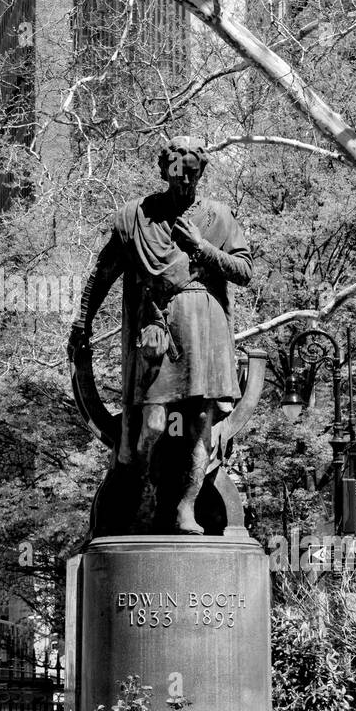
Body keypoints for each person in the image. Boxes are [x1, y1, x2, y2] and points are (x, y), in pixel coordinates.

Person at [68, 136, 252, 534]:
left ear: (201, 172)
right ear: (164, 171)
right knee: (151, 423)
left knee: (199, 423)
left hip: (205, 330)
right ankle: (147, 498)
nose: (185, 182)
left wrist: (201, 248)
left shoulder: (219, 217)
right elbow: (102, 274)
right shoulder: (137, 216)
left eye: (193, 174)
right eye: (177, 173)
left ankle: (186, 507)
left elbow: (244, 272)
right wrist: (83, 321)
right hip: (158, 333)